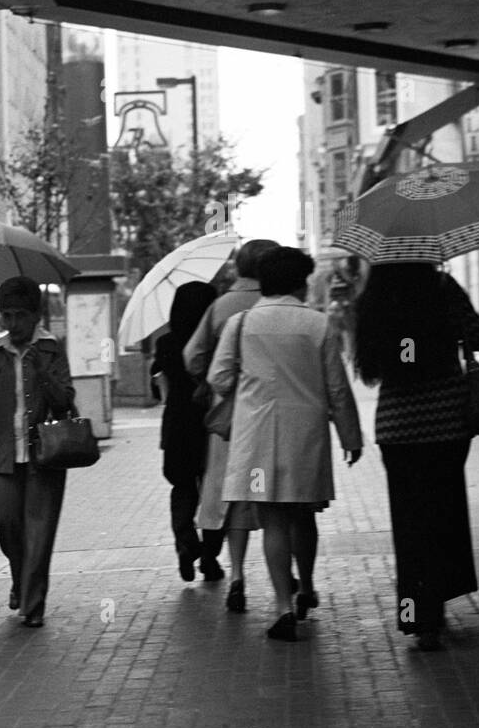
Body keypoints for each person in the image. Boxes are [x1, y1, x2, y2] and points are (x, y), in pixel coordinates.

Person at [209, 247, 362, 642]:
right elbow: (337, 388)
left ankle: (282, 607)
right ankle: (306, 587)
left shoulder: (242, 323)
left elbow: (218, 379)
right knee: (303, 514)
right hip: (305, 437)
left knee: (272, 520)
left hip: (256, 439)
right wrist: (351, 436)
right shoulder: (318, 324)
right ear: (299, 282)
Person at [354, 263, 479, 651]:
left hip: (397, 428)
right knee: (444, 512)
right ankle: (439, 599)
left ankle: (419, 615)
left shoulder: (374, 298)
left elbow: (370, 366)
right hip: (446, 423)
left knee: (409, 522)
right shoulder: (443, 287)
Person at [0, 276, 76, 629]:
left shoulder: (51, 349)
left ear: (35, 316)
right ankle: (20, 578)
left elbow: (65, 400)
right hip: (4, 454)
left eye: (20, 316)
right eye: (6, 315)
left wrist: (43, 372)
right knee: (4, 521)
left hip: (45, 454)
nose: (12, 323)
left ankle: (33, 605)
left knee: (39, 533)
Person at [183, 237, 279, 613]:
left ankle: (237, 576)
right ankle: (289, 578)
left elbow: (193, 357)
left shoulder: (221, 306)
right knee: (280, 496)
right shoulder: (282, 304)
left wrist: (213, 379)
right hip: (276, 412)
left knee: (236, 494)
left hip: (231, 416)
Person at [150, 281, 224, 583]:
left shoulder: (165, 343)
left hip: (177, 426)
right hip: (211, 424)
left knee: (181, 488)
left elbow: (156, 389)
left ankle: (185, 542)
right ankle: (209, 558)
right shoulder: (215, 342)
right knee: (214, 492)